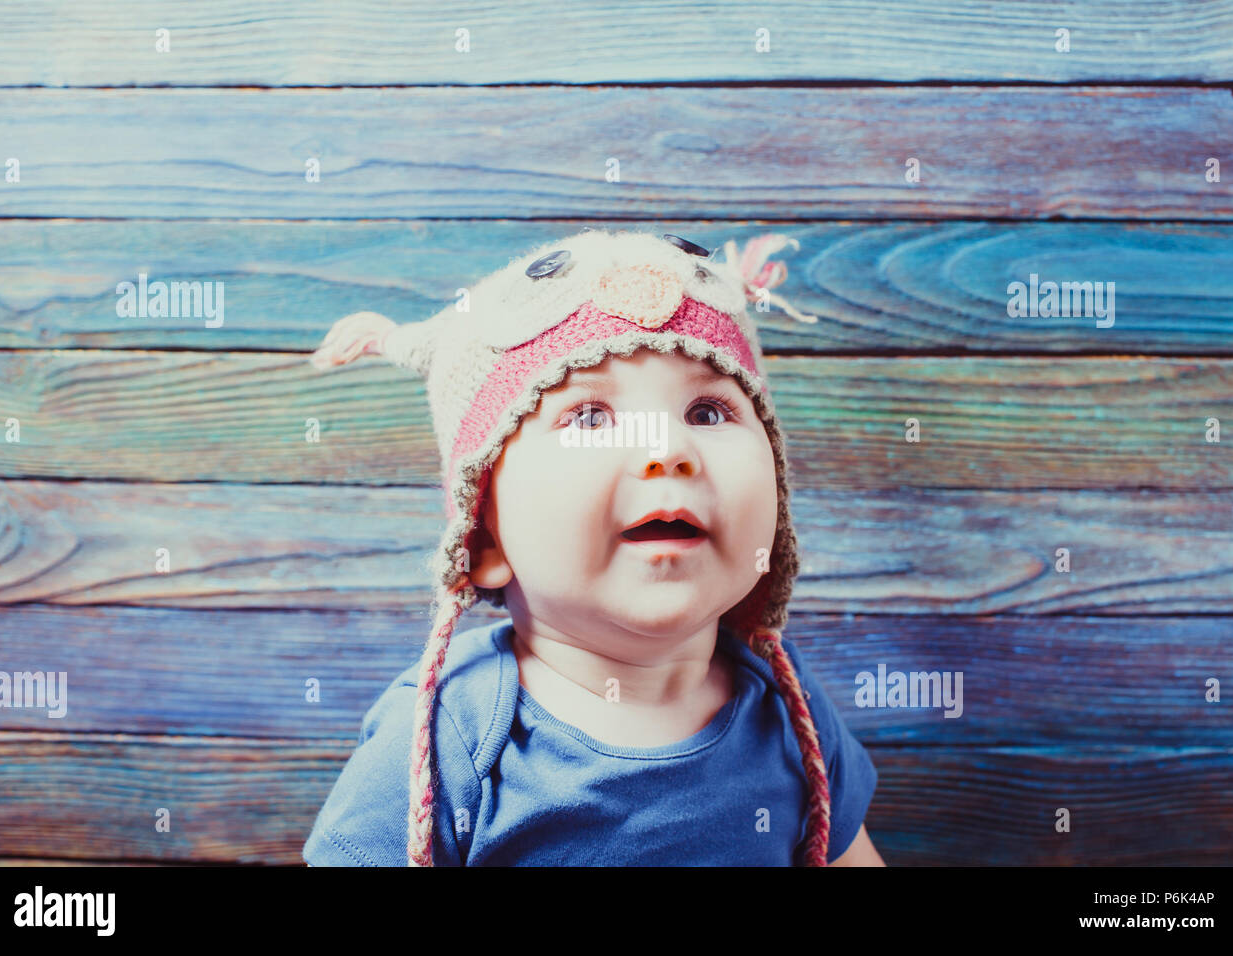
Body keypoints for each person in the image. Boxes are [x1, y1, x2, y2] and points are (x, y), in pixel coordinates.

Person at [303, 228, 883, 866]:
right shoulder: (449, 738)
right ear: (485, 537)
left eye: (709, 412)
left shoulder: (789, 710)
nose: (668, 453)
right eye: (589, 418)